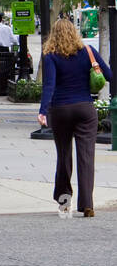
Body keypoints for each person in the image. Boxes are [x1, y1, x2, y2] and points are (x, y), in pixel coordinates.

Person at [38, 18, 109, 218]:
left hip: (60, 109)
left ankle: (64, 202)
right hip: (85, 109)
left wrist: (43, 111)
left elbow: (49, 86)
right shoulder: (88, 52)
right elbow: (109, 74)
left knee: (64, 155)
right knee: (86, 157)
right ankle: (87, 205)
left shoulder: (51, 55)